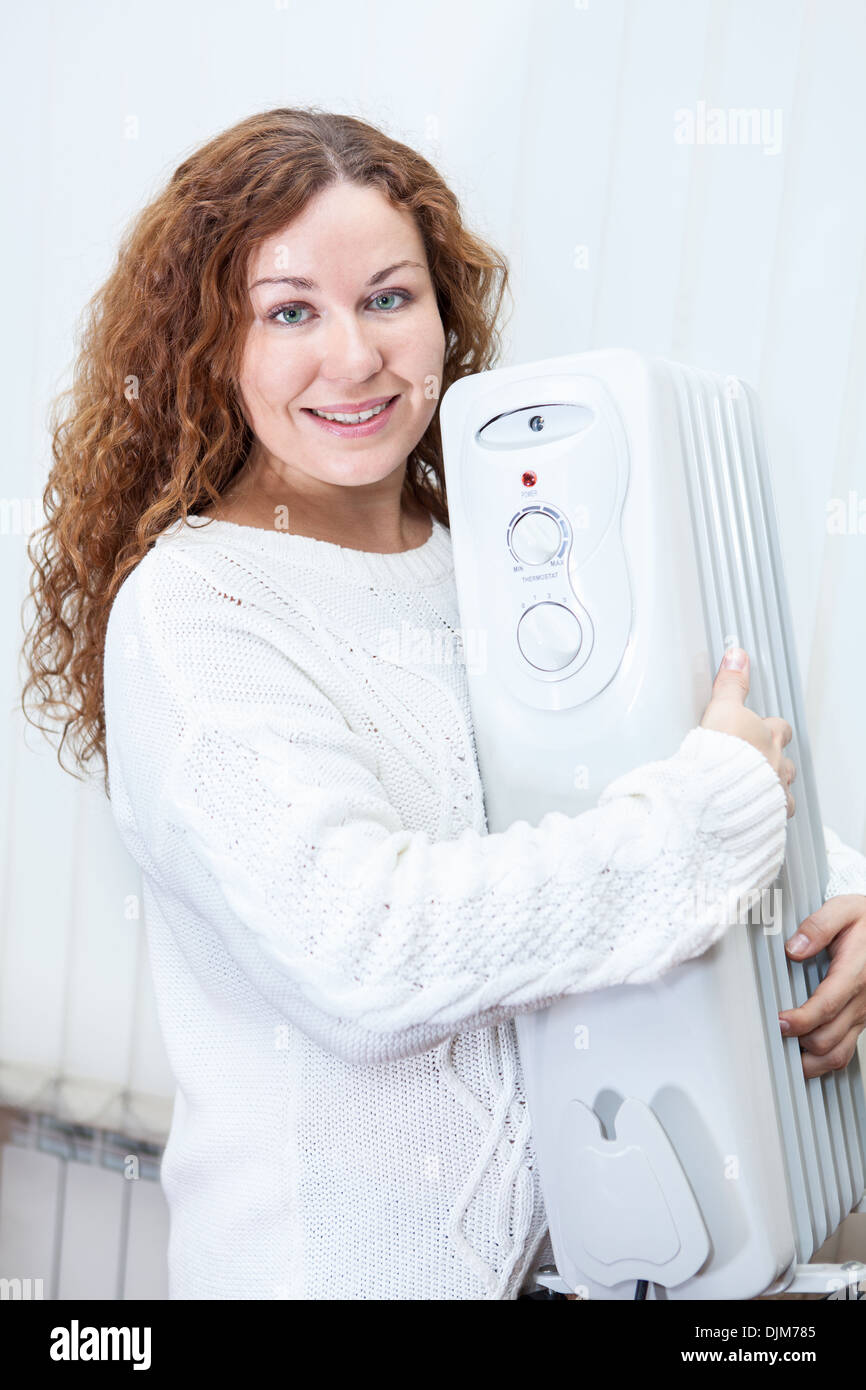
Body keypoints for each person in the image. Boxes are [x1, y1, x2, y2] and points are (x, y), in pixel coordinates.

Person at [20, 107, 866, 1301]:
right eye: (288, 311)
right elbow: (364, 949)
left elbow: (635, 769)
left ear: (443, 312)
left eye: (387, 297)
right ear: (210, 345)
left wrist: (828, 898)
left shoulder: (494, 553)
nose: (354, 358)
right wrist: (709, 817)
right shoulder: (198, 611)